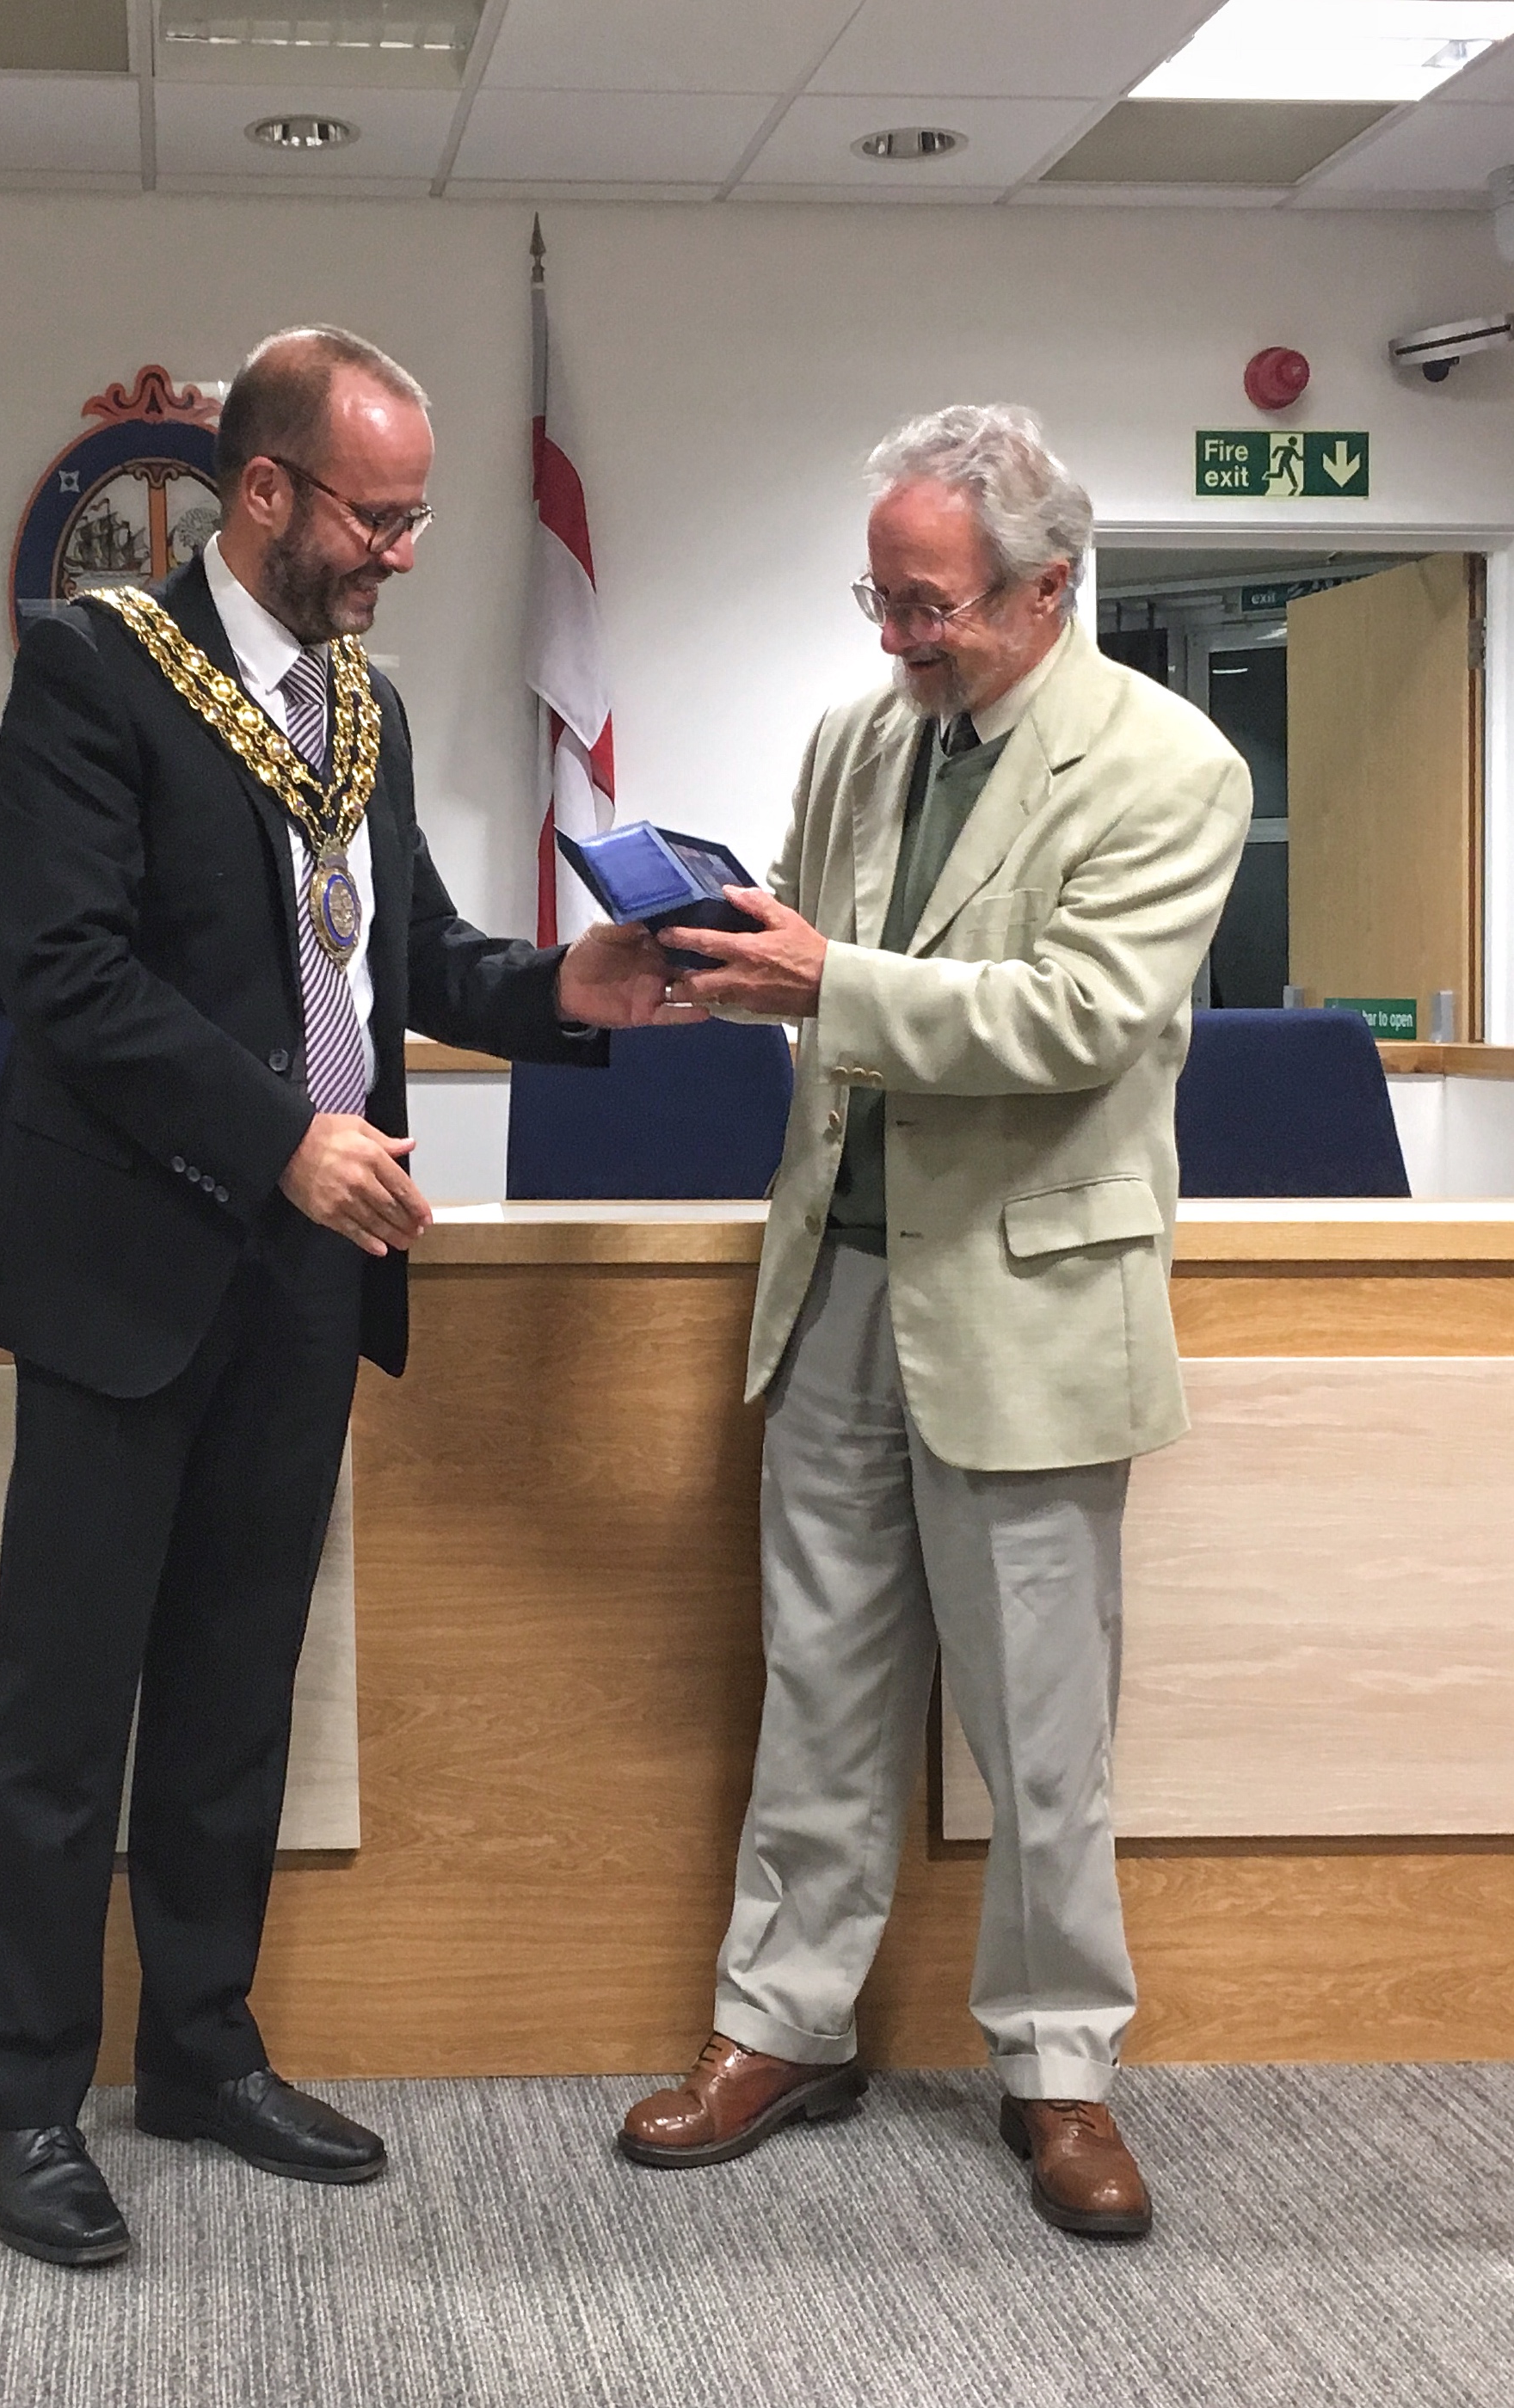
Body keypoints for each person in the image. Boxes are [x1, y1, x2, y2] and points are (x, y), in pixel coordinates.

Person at [0, 325, 684, 2267]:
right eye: (381, 511)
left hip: (300, 1276)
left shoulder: (363, 702)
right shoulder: (94, 677)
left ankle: (199, 2045)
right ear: (263, 488)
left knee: (231, 1692)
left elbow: (401, 945)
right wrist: (282, 1132)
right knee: (64, 1704)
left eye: (419, 512)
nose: (404, 550)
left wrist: (563, 995)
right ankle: (24, 2097)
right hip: (127, 1266)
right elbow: (71, 974)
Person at [618, 405, 1250, 2240]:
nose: (896, 640)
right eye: (878, 599)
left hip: (1032, 1294)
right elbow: (841, 985)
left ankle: (1060, 2069)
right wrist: (741, 972)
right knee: (819, 1677)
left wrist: (831, 975)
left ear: (1049, 587)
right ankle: (784, 2026)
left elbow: (1075, 1019)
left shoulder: (1169, 766)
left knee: (1043, 1722)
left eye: (930, 606)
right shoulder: (860, 738)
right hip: (841, 1276)